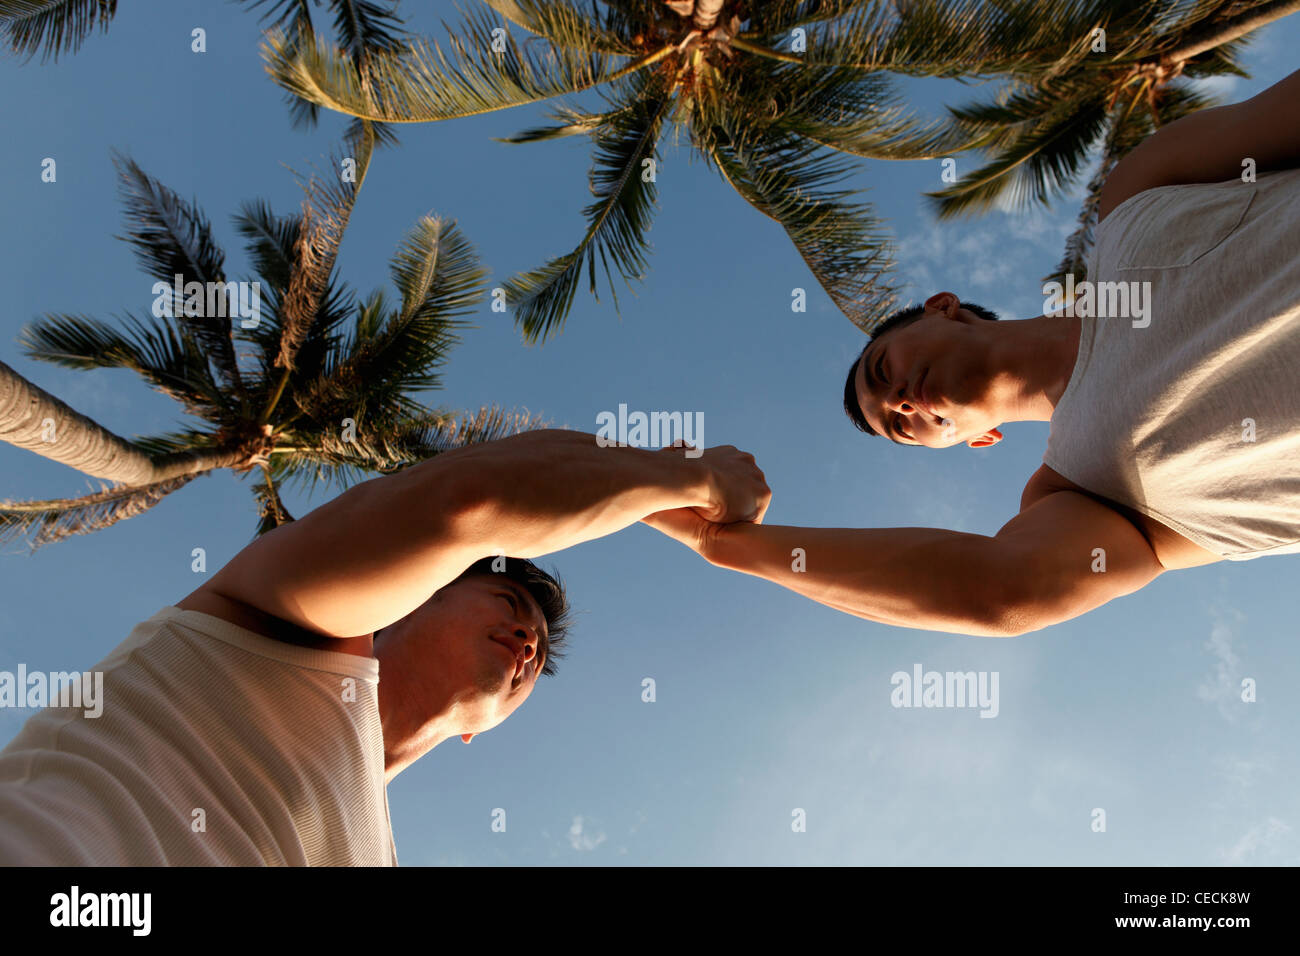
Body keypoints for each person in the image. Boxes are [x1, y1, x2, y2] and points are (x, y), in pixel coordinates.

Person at [640, 67, 1300, 636]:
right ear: (973, 442)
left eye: (882, 371)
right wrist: (721, 543)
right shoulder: (1084, 494)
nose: (899, 402)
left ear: (942, 306)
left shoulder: (1141, 197)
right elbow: (998, 590)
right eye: (897, 424)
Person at [0, 429, 769, 865]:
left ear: (480, 732)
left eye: (539, 653)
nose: (530, 642)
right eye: (508, 603)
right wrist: (691, 477)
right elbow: (465, 506)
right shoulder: (288, 626)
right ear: (414, 594)